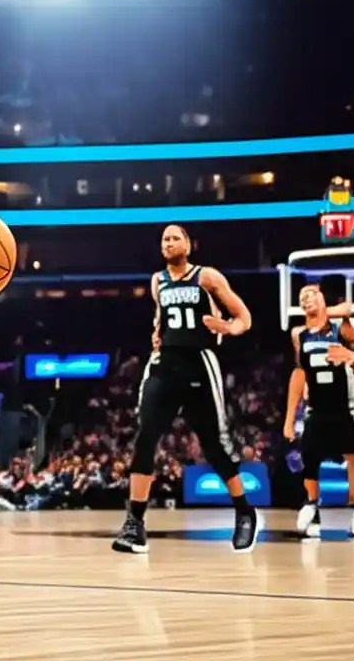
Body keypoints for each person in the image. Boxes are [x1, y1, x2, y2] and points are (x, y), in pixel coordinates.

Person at [113, 224, 258, 554]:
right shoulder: (157, 281)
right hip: (164, 364)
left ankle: (244, 511)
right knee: (145, 437)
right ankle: (135, 524)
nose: (169, 243)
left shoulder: (207, 276)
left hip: (199, 363)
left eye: (175, 238)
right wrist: (157, 332)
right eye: (165, 239)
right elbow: (161, 317)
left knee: (214, 446)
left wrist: (226, 327)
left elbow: (244, 318)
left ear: (188, 245)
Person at [286, 285, 354, 538]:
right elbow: (299, 373)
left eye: (312, 295)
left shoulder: (341, 329)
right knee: (310, 458)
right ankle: (312, 507)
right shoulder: (299, 334)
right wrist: (289, 418)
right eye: (302, 297)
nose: (306, 299)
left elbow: (347, 309)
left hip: (346, 406)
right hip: (315, 407)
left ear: (324, 300)